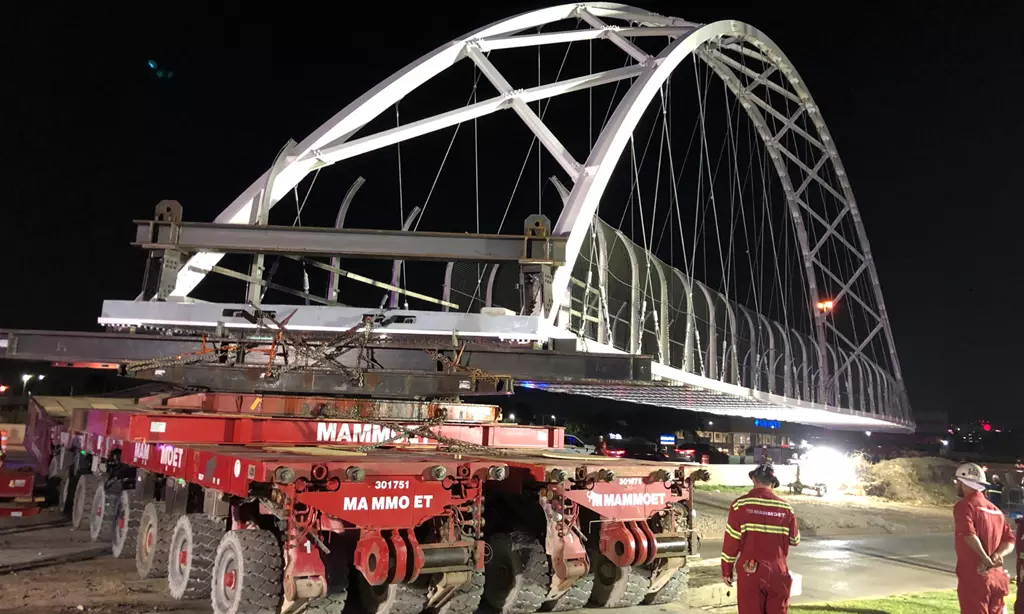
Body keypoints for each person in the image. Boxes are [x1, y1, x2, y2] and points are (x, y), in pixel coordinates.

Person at [721, 464, 799, 614]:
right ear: (773, 483)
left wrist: (726, 569)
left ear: (754, 479)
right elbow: (794, 540)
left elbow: (731, 542)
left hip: (750, 570)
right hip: (778, 571)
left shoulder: (740, 505)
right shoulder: (786, 508)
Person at [953, 462, 1014, 614]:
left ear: (963, 482)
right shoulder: (996, 511)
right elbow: (1010, 540)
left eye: (957, 482)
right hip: (998, 577)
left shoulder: (964, 506)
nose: (956, 486)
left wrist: (985, 558)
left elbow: (968, 535)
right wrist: (997, 555)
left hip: (975, 575)